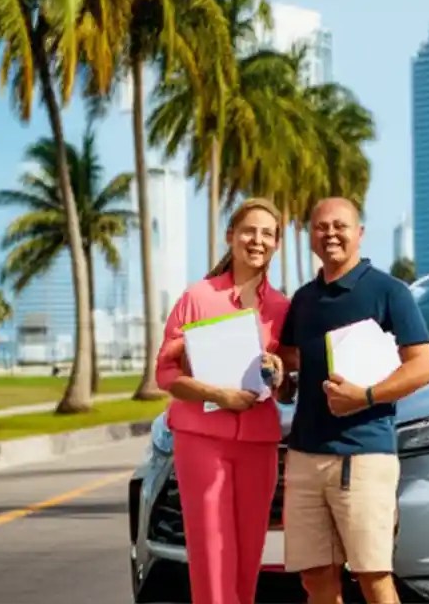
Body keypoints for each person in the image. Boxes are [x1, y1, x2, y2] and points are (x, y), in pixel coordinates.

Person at [277, 197, 429, 604]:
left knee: (373, 578)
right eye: (320, 227)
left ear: (359, 233)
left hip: (363, 457)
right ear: (310, 235)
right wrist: (281, 379)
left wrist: (364, 397)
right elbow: (294, 360)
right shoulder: (305, 299)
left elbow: (422, 366)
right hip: (304, 457)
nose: (330, 233)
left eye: (340, 226)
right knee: (316, 579)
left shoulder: (389, 292)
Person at [154, 197, 291, 604]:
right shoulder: (197, 298)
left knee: (249, 555)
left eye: (267, 233)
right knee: (212, 553)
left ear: (277, 244)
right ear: (231, 236)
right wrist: (218, 394)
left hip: (259, 444)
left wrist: (281, 376)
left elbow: (285, 385)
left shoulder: (282, 307)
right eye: (249, 230)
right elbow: (166, 374)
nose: (257, 240)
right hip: (202, 441)